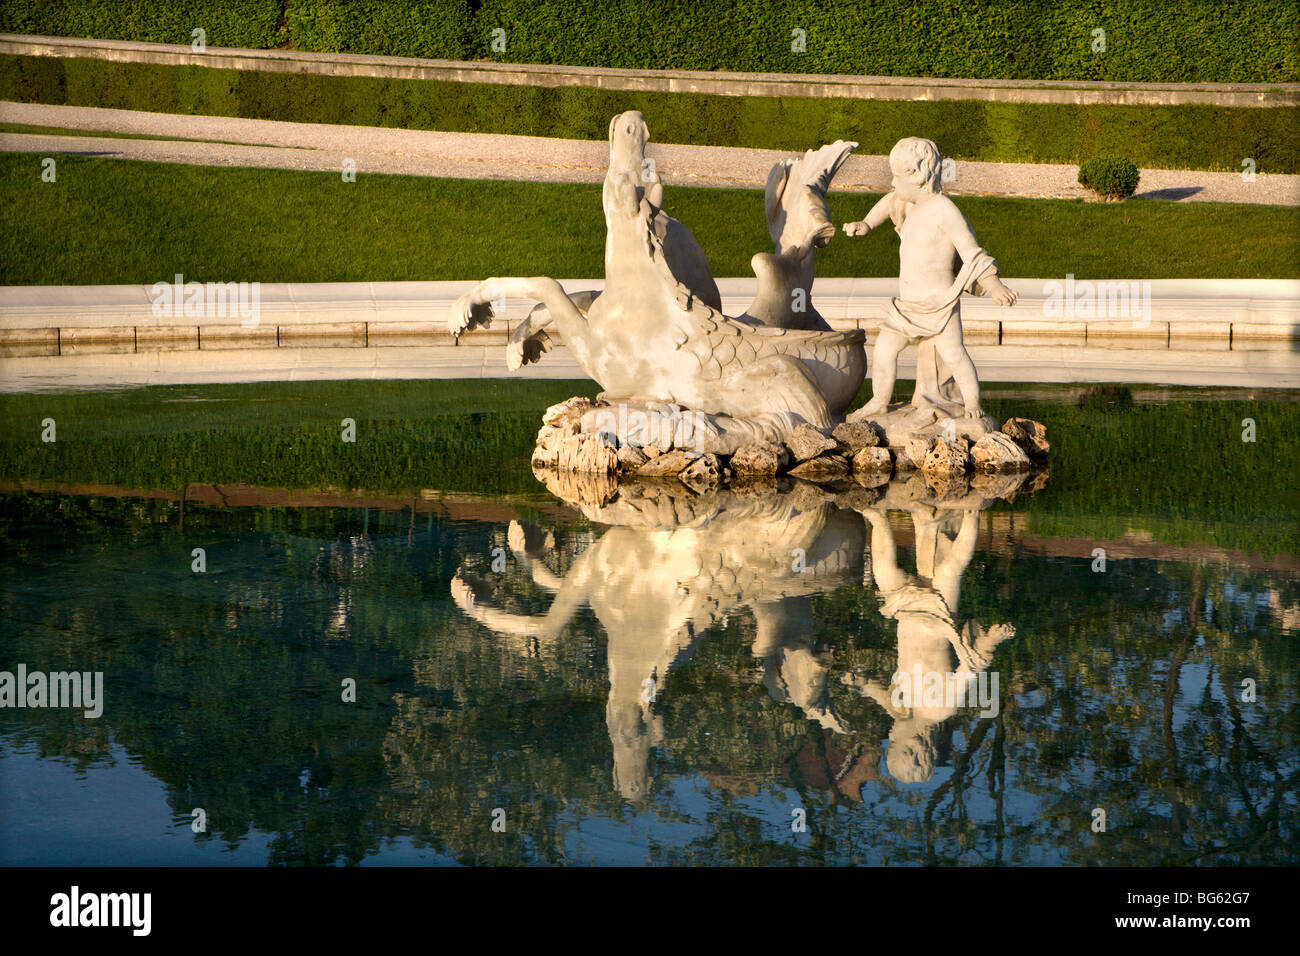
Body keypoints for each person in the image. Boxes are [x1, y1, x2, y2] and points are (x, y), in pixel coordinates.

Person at [843, 137, 1017, 420]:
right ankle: (879, 401)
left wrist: (994, 284)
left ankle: (972, 404)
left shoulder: (944, 210)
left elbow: (971, 251)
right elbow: (888, 203)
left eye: (897, 177)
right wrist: (866, 224)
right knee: (885, 349)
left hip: (940, 303)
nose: (892, 183)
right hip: (908, 305)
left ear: (918, 176)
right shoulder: (908, 204)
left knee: (954, 355)